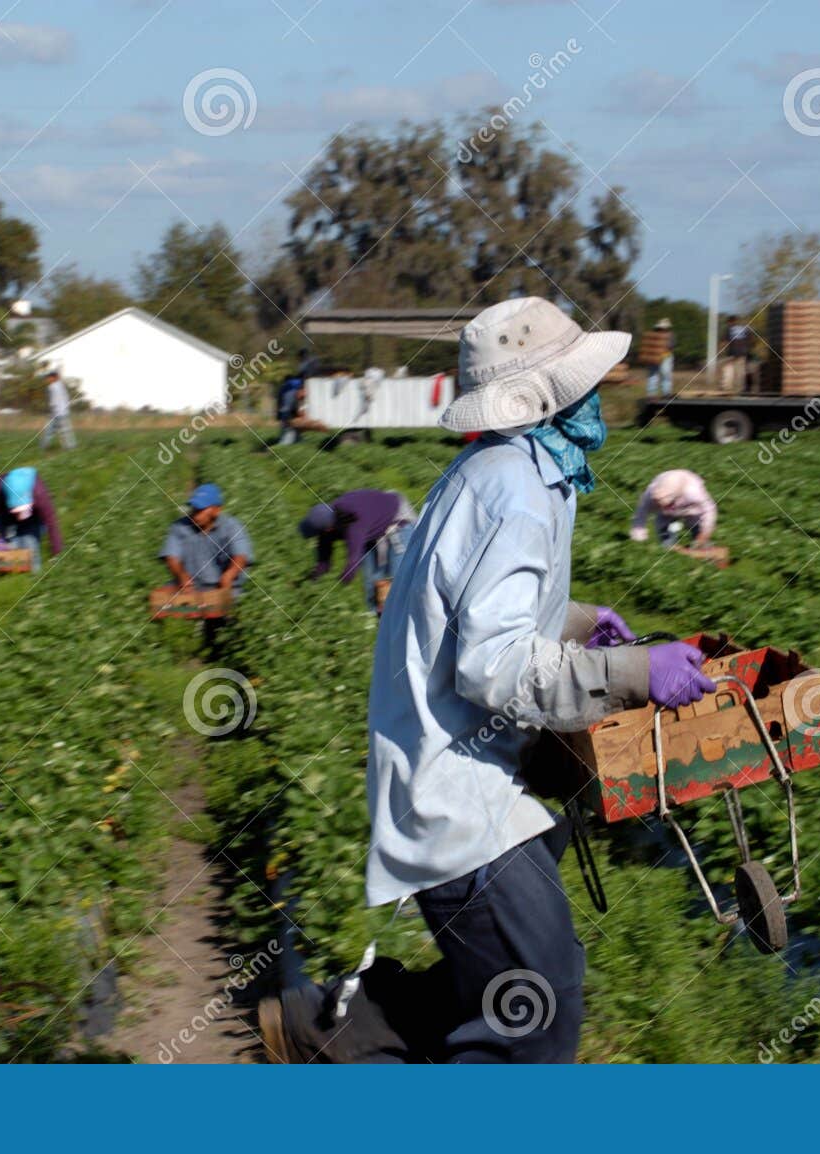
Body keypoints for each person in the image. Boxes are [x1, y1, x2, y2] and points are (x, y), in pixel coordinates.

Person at [260, 297, 715, 1064]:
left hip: (470, 771)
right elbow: (493, 665)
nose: (597, 394)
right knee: (538, 1006)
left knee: (517, 982)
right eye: (582, 382)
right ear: (547, 396)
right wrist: (633, 671)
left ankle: (346, 1020)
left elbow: (474, 604)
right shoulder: (516, 488)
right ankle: (348, 1025)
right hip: (457, 788)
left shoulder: (505, 469)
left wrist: (575, 622)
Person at [298, 490, 418, 612]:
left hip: (398, 520)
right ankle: (377, 619)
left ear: (327, 529)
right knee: (372, 581)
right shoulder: (327, 521)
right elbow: (324, 561)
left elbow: (353, 562)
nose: (318, 537)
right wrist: (313, 577)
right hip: (373, 528)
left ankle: (406, 619)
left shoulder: (353, 524)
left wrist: (337, 588)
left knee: (397, 580)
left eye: (317, 534)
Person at [160, 483, 253, 592]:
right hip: (189, 586)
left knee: (220, 604)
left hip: (222, 586)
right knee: (162, 599)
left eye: (200, 510)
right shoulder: (180, 526)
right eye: (194, 508)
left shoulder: (232, 527)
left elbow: (241, 556)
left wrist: (229, 575)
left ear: (217, 510)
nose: (195, 514)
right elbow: (171, 556)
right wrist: (182, 576)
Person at [0, 466, 62, 572]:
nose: (20, 515)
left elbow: (51, 523)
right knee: (2, 552)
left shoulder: (39, 494)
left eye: (23, 509)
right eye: (17, 510)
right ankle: (10, 543)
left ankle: (21, 541)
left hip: (33, 517)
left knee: (29, 549)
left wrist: (57, 552)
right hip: (4, 513)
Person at [631, 469, 717, 547]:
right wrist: (639, 538)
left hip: (690, 506)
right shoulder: (651, 494)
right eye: (661, 504)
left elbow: (709, 508)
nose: (665, 506)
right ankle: (669, 548)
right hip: (667, 507)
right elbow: (641, 512)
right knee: (665, 531)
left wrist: (706, 531)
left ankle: (703, 547)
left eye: (668, 504)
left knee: (696, 523)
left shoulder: (693, 493)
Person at [40, 370, 76, 451]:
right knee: (66, 431)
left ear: (54, 377)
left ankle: (43, 447)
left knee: (48, 431)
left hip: (56, 413)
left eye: (49, 378)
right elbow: (66, 400)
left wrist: (52, 411)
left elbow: (53, 401)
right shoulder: (62, 386)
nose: (47, 380)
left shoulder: (52, 386)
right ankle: (70, 447)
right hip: (64, 412)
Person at [646, 317, 674, 398]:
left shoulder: (670, 335)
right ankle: (651, 394)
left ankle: (666, 393)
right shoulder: (653, 334)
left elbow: (671, 345)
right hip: (654, 357)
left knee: (666, 374)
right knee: (653, 375)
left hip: (666, 357)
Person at [276, 374, 306, 445]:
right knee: (288, 436)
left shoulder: (284, 388)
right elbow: (298, 400)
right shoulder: (293, 389)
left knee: (294, 435)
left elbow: (280, 403)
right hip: (289, 415)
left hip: (286, 413)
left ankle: (298, 444)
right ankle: (279, 450)